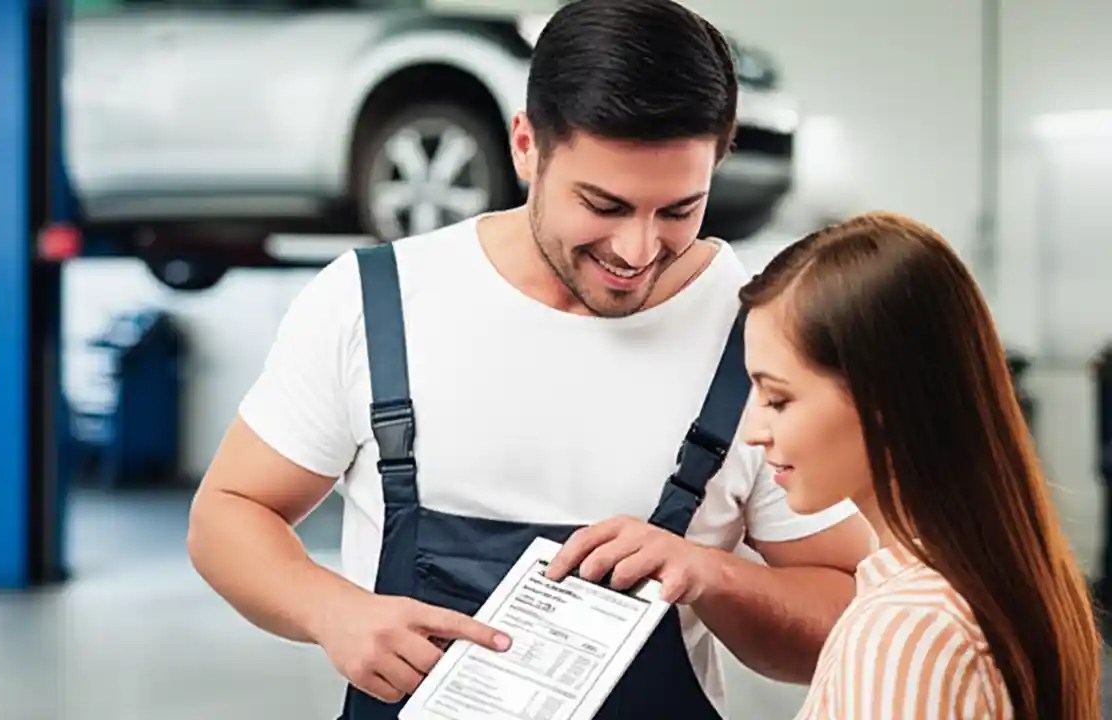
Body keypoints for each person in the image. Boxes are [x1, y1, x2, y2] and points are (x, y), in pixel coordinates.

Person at [187, 1, 873, 717]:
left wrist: (716, 576)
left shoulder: (758, 337)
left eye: (677, 210)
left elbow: (848, 616)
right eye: (603, 204)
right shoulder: (374, 303)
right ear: (526, 146)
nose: (636, 252)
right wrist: (330, 611)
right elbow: (229, 513)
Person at [732, 211, 1100, 718]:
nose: (754, 431)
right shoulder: (992, 584)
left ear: (882, 400)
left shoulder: (907, 630)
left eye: (777, 400)